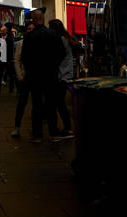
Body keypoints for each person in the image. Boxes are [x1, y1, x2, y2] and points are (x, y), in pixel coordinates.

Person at [20, 9, 65, 142]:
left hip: (35, 76)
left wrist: (30, 70)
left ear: (34, 20)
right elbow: (62, 53)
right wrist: (54, 65)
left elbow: (25, 57)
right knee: (51, 104)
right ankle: (53, 132)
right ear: (43, 19)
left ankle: (37, 134)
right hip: (51, 74)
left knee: (37, 105)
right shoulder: (54, 35)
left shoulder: (29, 37)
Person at [48, 19, 78, 136]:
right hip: (67, 74)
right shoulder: (66, 38)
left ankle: (67, 128)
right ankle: (67, 127)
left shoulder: (60, 40)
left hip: (61, 75)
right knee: (60, 103)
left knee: (59, 103)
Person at [9, 17, 35, 139]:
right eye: (28, 29)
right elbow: (17, 60)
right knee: (21, 103)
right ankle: (17, 127)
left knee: (37, 103)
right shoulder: (21, 43)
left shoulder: (38, 42)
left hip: (36, 78)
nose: (30, 31)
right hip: (25, 77)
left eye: (32, 29)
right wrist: (19, 75)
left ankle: (36, 128)